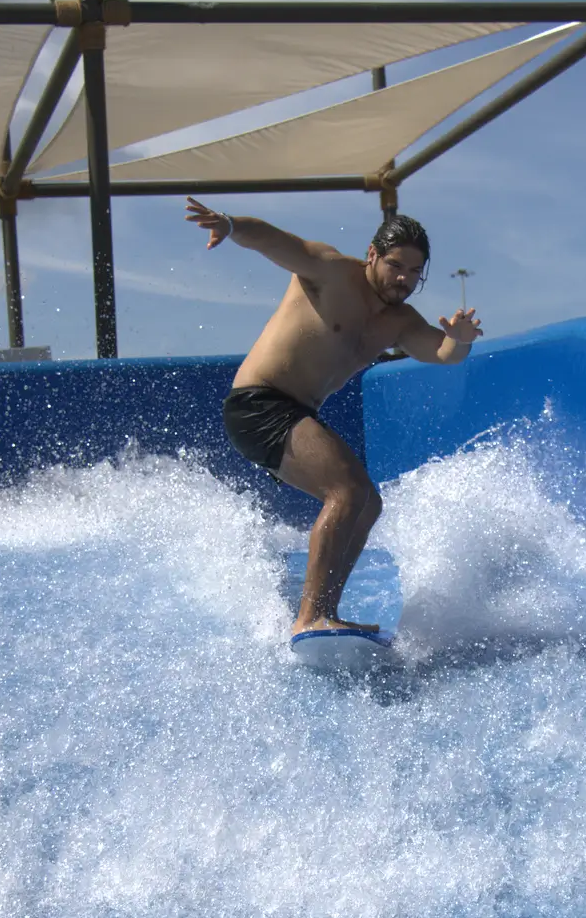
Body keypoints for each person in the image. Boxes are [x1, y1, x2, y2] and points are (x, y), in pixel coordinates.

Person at [185, 197, 482, 636]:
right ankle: (310, 618)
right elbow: (273, 241)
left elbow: (443, 353)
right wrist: (231, 225)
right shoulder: (330, 271)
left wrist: (460, 340)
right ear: (372, 255)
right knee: (347, 491)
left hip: (293, 412)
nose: (403, 278)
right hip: (258, 403)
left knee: (367, 504)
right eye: (395, 265)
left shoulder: (399, 321)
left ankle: (324, 613)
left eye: (414, 272)